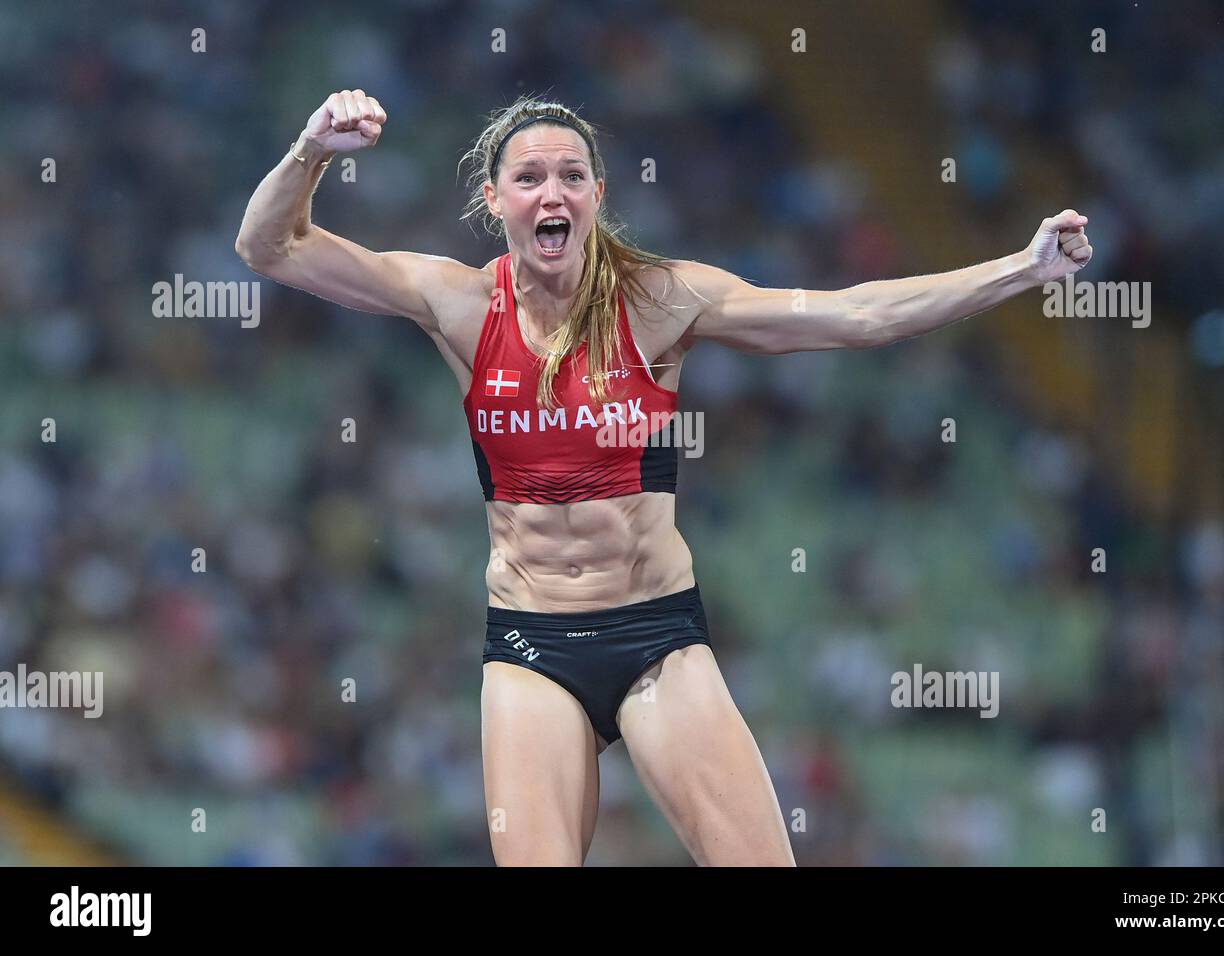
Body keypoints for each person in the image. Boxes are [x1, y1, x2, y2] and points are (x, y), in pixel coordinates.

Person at [235, 89, 1092, 866]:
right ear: (494, 201)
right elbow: (269, 246)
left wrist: (1021, 268)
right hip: (532, 647)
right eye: (529, 177)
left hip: (656, 638)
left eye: (572, 174)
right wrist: (311, 149)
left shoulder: (661, 301)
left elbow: (857, 314)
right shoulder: (457, 301)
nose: (553, 193)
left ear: (598, 196)